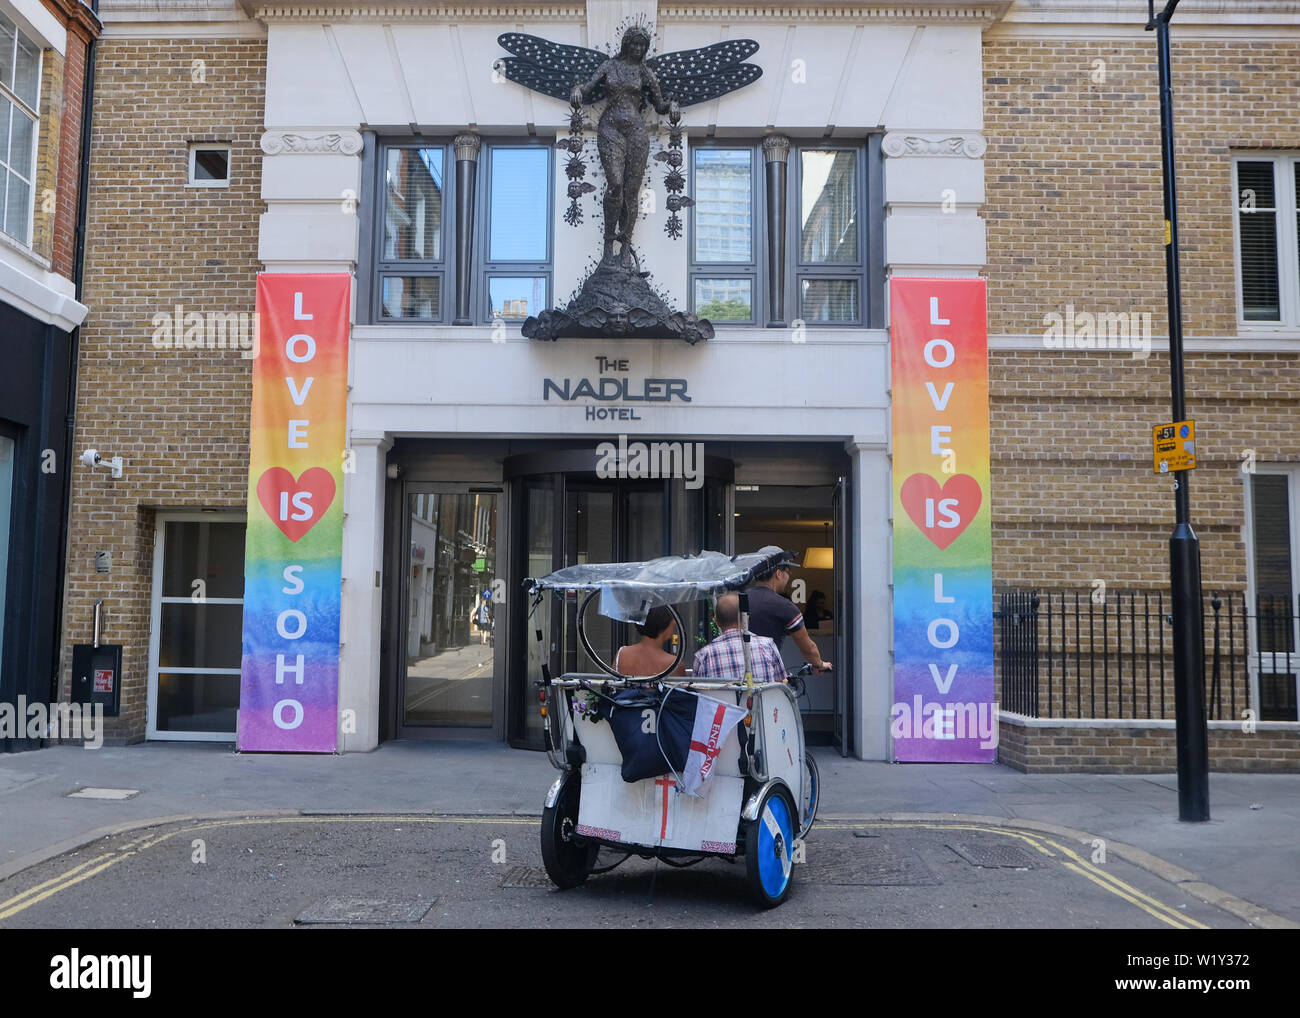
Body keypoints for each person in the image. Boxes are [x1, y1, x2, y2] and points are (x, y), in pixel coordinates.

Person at [569, 26, 677, 266]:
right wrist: (577, 90)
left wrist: (673, 105)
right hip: (610, 128)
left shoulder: (645, 72)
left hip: (637, 132)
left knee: (631, 191)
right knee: (615, 184)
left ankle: (625, 248)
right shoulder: (609, 66)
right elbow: (587, 88)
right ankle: (609, 244)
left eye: (643, 46)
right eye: (635, 44)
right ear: (626, 44)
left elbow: (659, 105)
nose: (638, 49)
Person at [744, 552, 831, 672]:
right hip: (767, 674)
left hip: (736, 673)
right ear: (779, 574)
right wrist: (819, 664)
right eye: (788, 572)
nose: (788, 577)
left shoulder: (737, 599)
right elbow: (808, 648)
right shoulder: (784, 606)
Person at [691, 593, 787, 683]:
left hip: (721, 701)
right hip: (763, 701)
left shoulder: (703, 655)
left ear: (716, 621)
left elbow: (697, 692)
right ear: (747, 618)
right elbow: (780, 683)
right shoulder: (767, 646)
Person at [615, 605, 686, 678]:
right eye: (673, 621)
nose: (675, 625)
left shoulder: (622, 654)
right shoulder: (674, 664)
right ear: (665, 623)